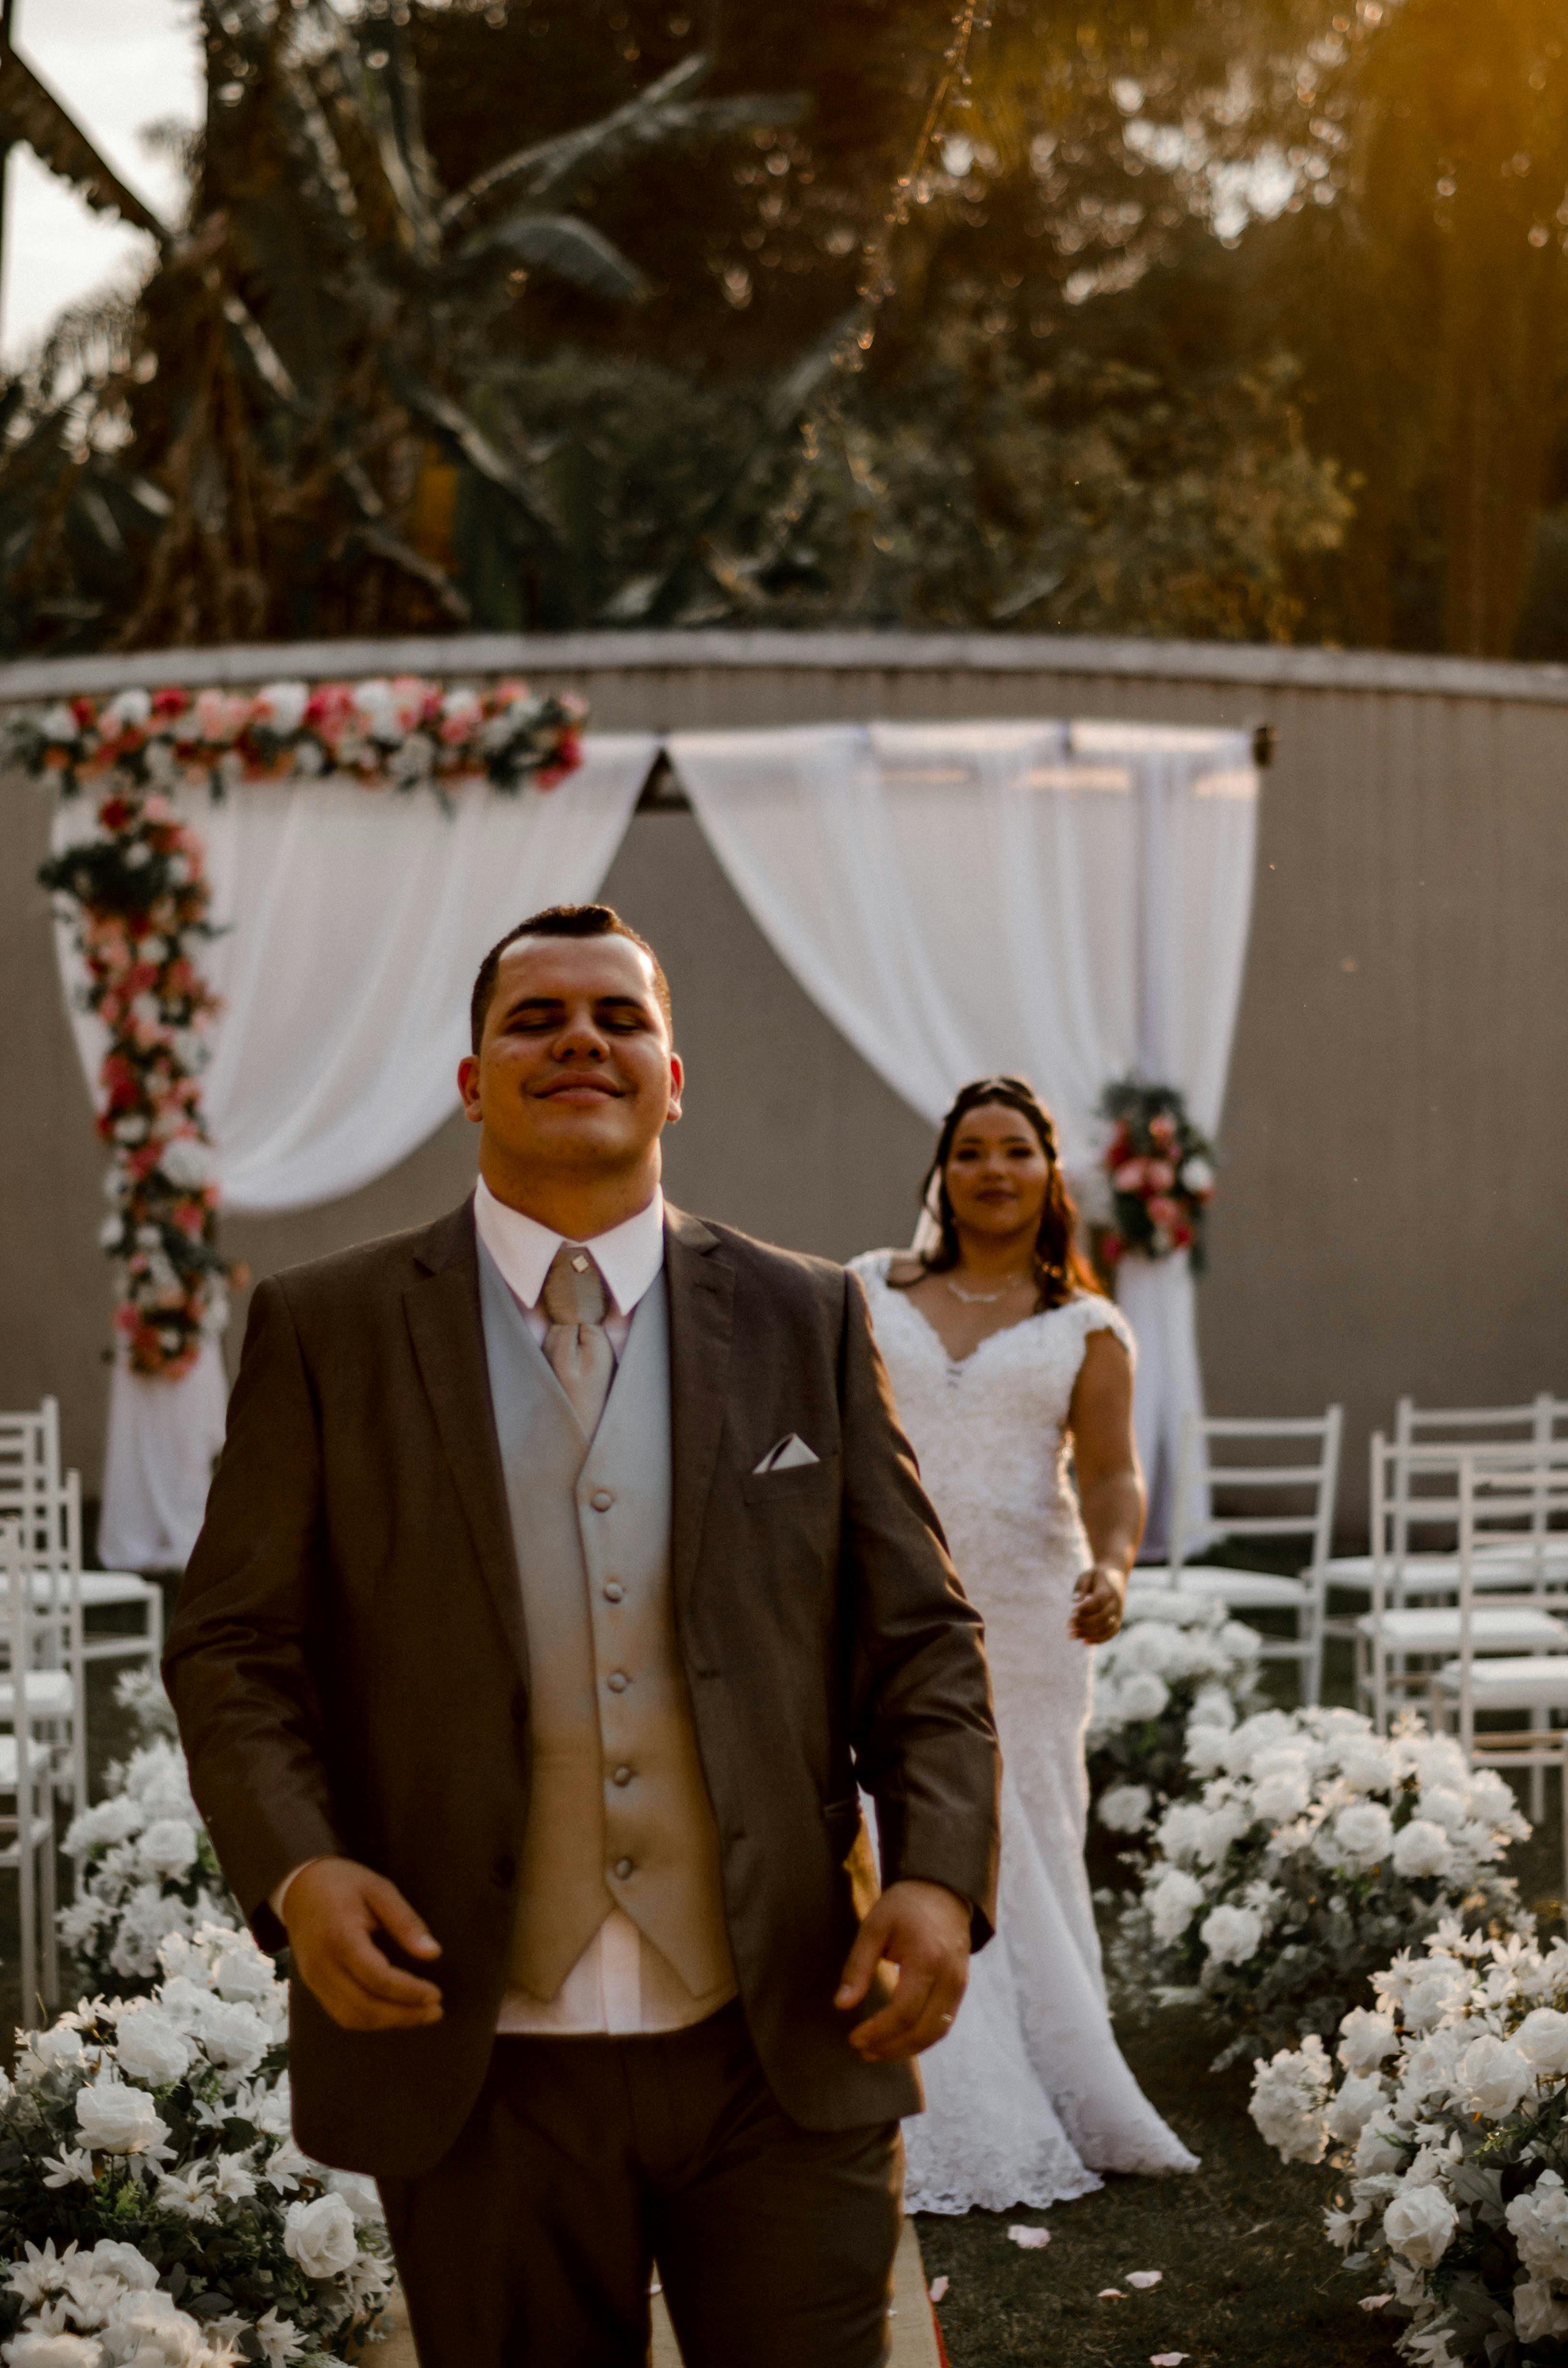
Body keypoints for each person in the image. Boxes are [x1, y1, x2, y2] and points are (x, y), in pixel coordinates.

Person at [163, 903, 1000, 2368]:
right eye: (535, 1019)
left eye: (620, 1018)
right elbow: (234, 1646)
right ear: (472, 1082)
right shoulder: (327, 1327)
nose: (580, 1041)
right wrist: (298, 1869)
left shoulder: (806, 1315)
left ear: (674, 1079)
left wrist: (938, 1873)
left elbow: (921, 1638)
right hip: (471, 2060)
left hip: (779, 2038)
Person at [849, 1074, 1198, 2215]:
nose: (992, 1170)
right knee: (885, 1808)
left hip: (1034, 1612)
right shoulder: (868, 1289)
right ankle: (891, 2068)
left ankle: (1046, 2080)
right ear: (940, 1172)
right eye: (970, 1151)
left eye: (1016, 1151)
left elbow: (1113, 1474)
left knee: (1025, 1834)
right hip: (888, 1602)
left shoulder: (1087, 1328)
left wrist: (1115, 1566)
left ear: (1051, 1174)